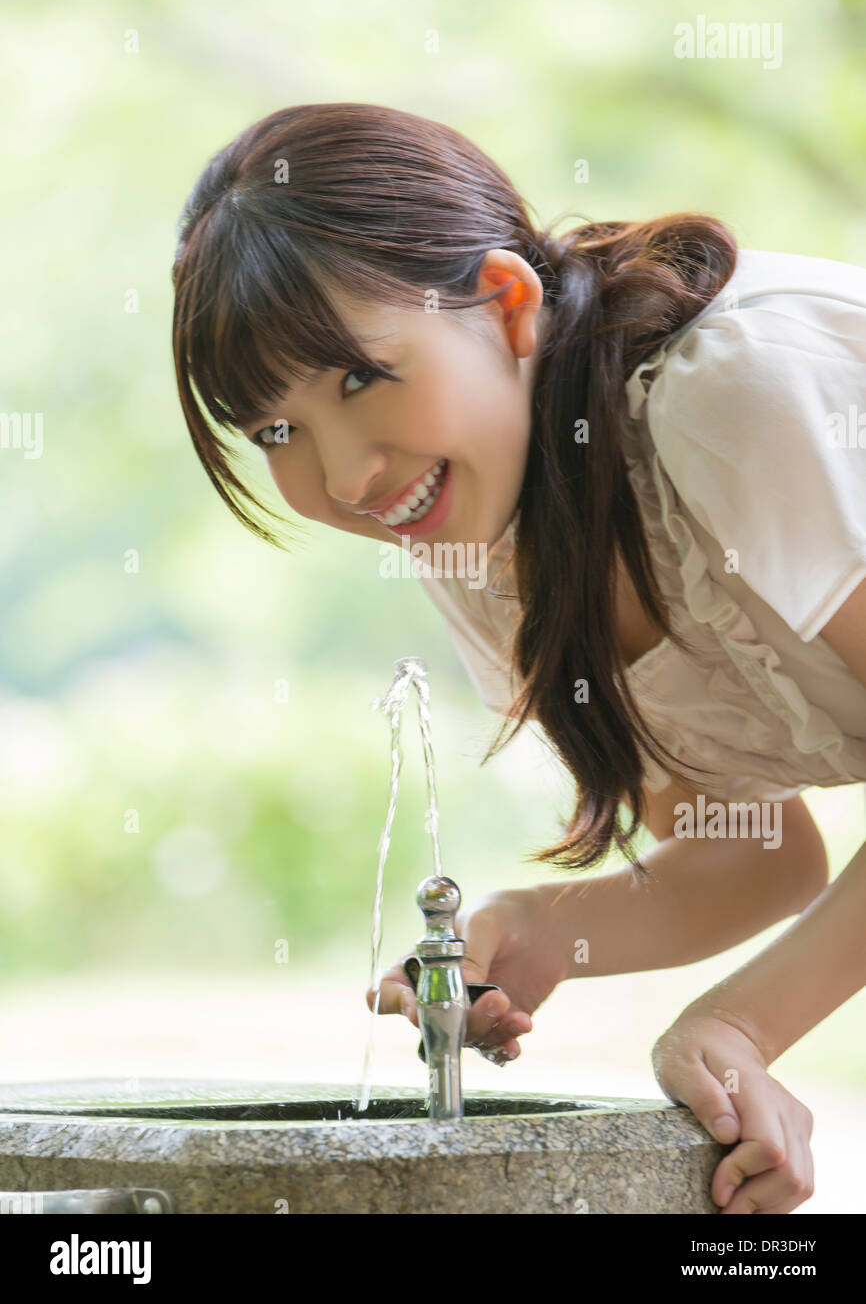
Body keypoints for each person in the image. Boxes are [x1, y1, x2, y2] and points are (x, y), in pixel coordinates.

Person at [171, 101, 866, 1215]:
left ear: (503, 303)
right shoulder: (477, 540)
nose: (344, 478)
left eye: (357, 378)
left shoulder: (724, 395)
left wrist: (738, 1025)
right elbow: (757, 854)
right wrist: (545, 929)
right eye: (275, 431)